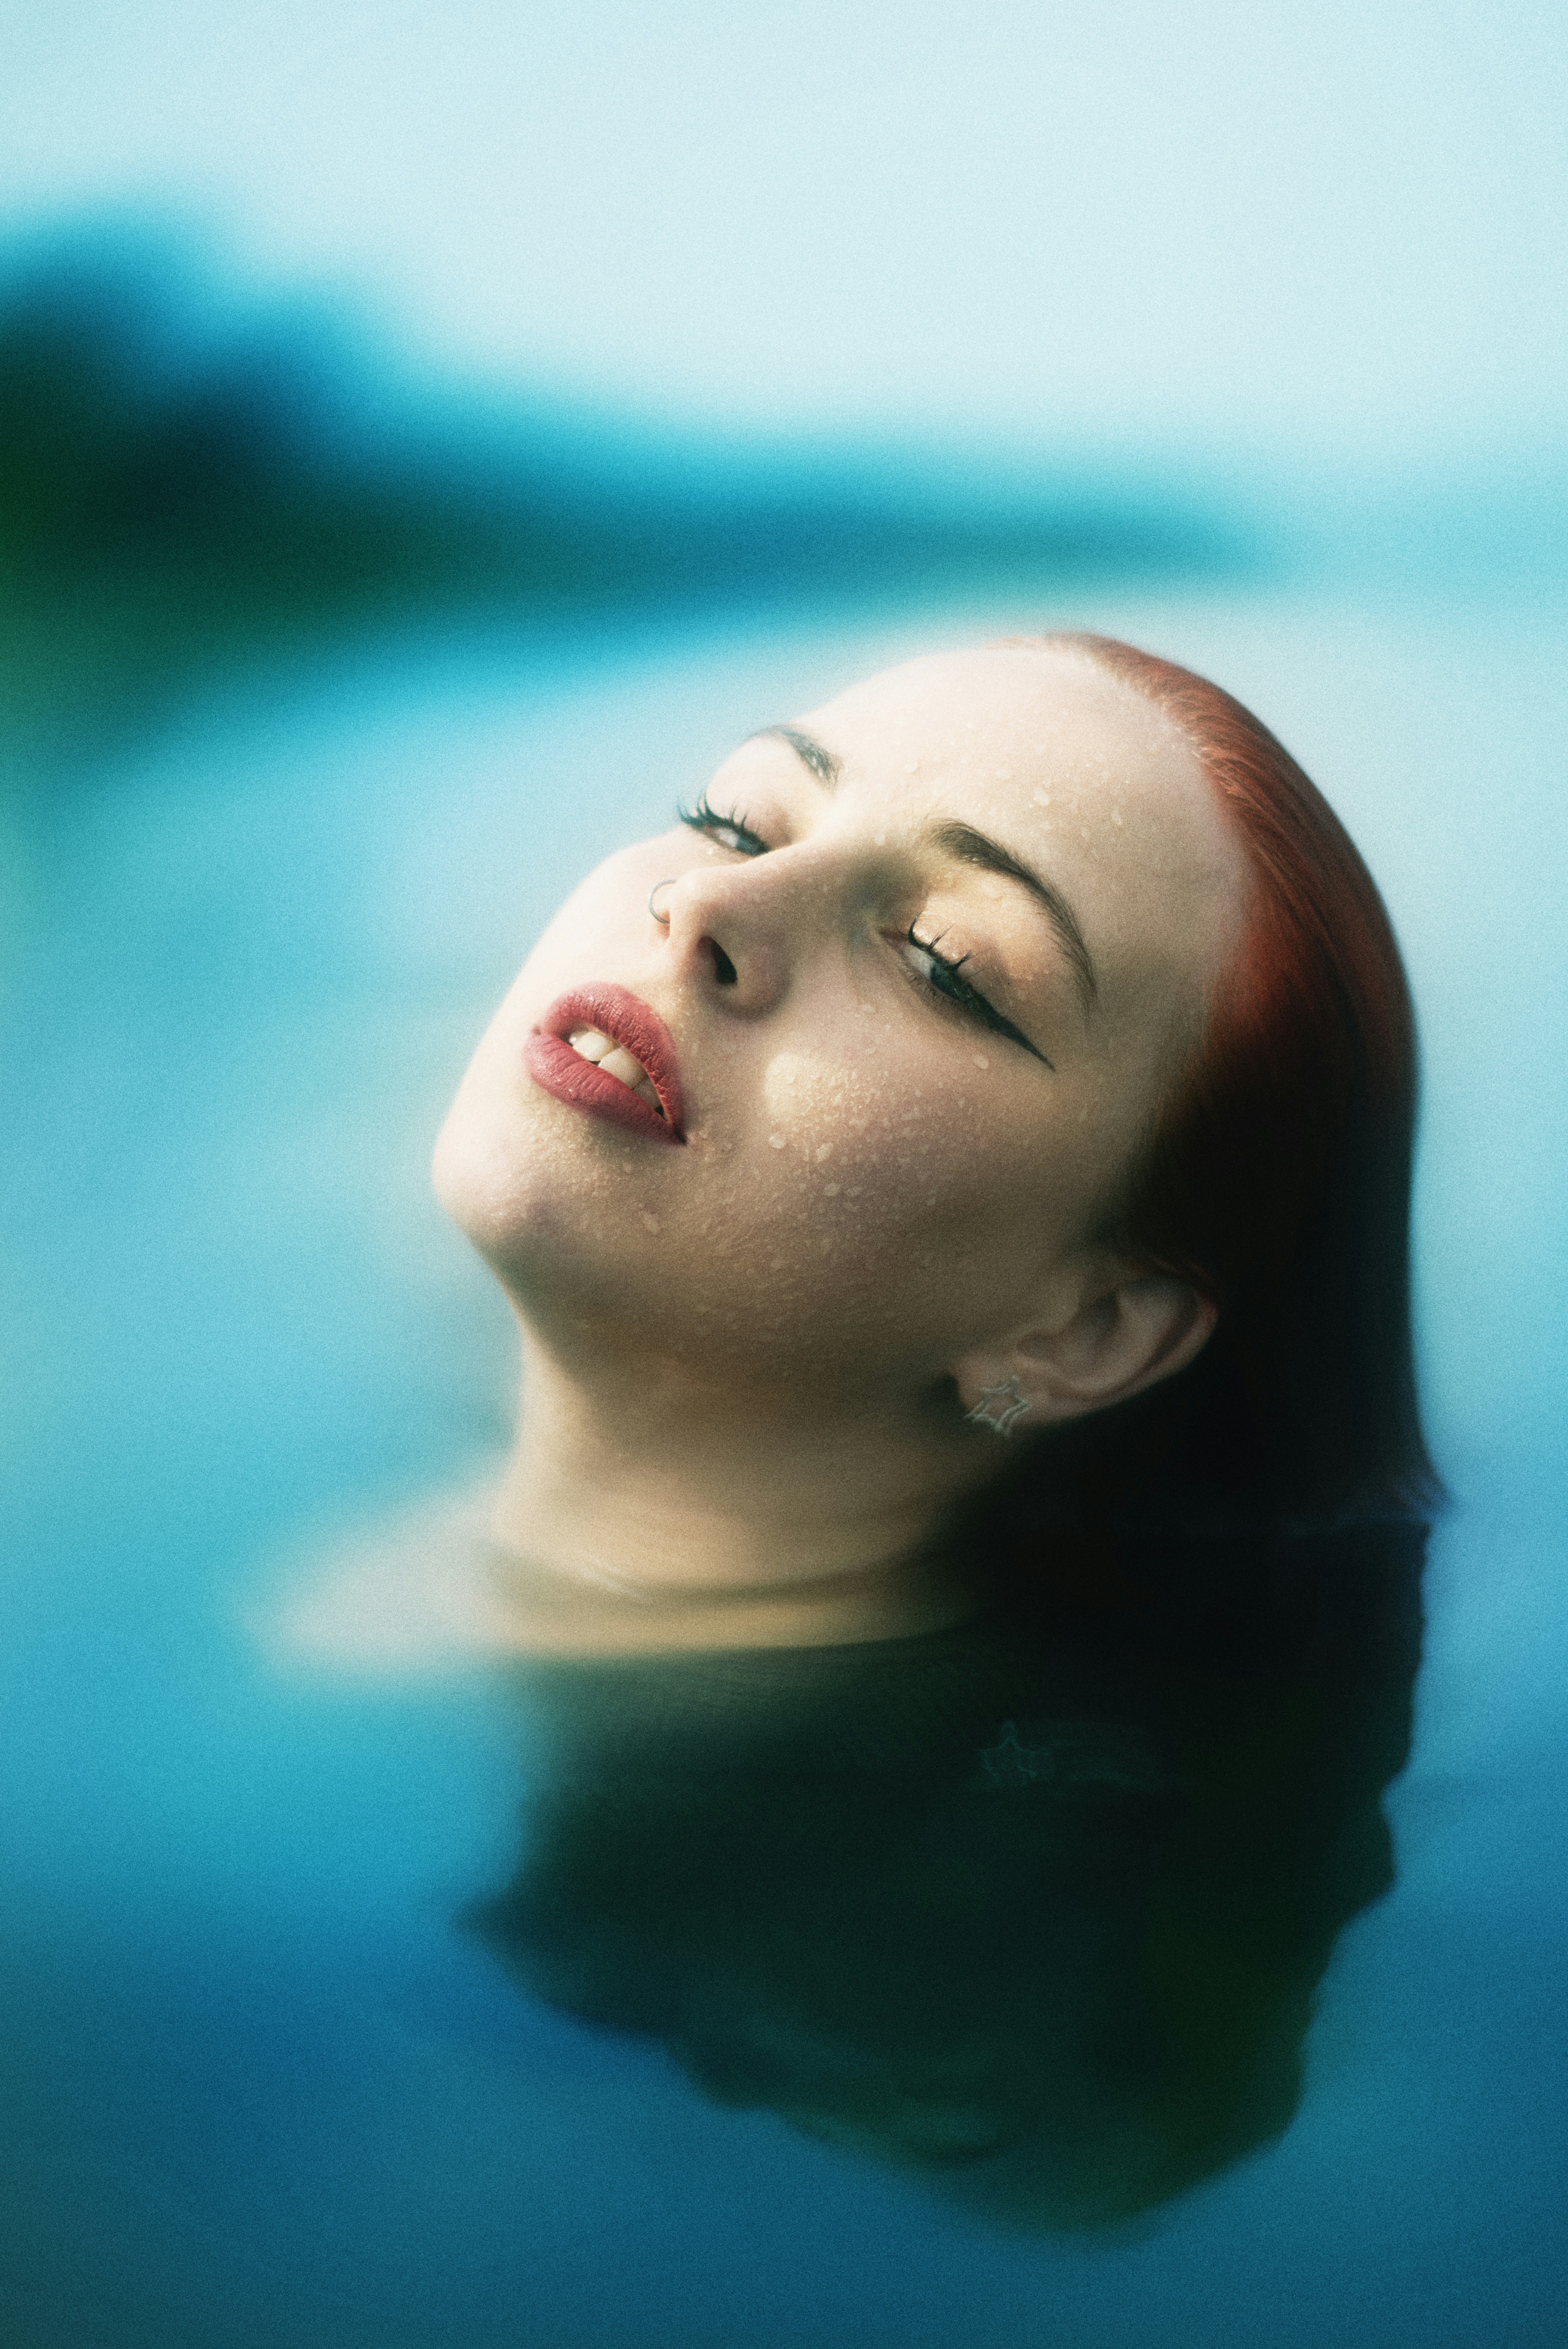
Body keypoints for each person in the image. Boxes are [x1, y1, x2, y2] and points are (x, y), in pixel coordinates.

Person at [431, 634, 1435, 1655]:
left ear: (1089, 1328)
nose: (707, 902)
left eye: (941, 963)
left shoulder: (867, 1810)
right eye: (738, 824)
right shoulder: (376, 1589)